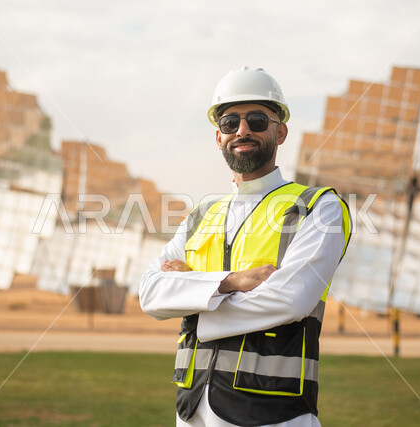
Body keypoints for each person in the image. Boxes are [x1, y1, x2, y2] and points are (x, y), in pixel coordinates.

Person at [139, 66, 351, 427]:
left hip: (274, 415)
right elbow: (150, 293)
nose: (242, 130)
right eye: (229, 122)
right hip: (190, 413)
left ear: (280, 131)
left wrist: (195, 302)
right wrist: (231, 282)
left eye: (257, 119)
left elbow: (290, 300)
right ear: (218, 137)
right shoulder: (201, 215)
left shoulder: (319, 206)